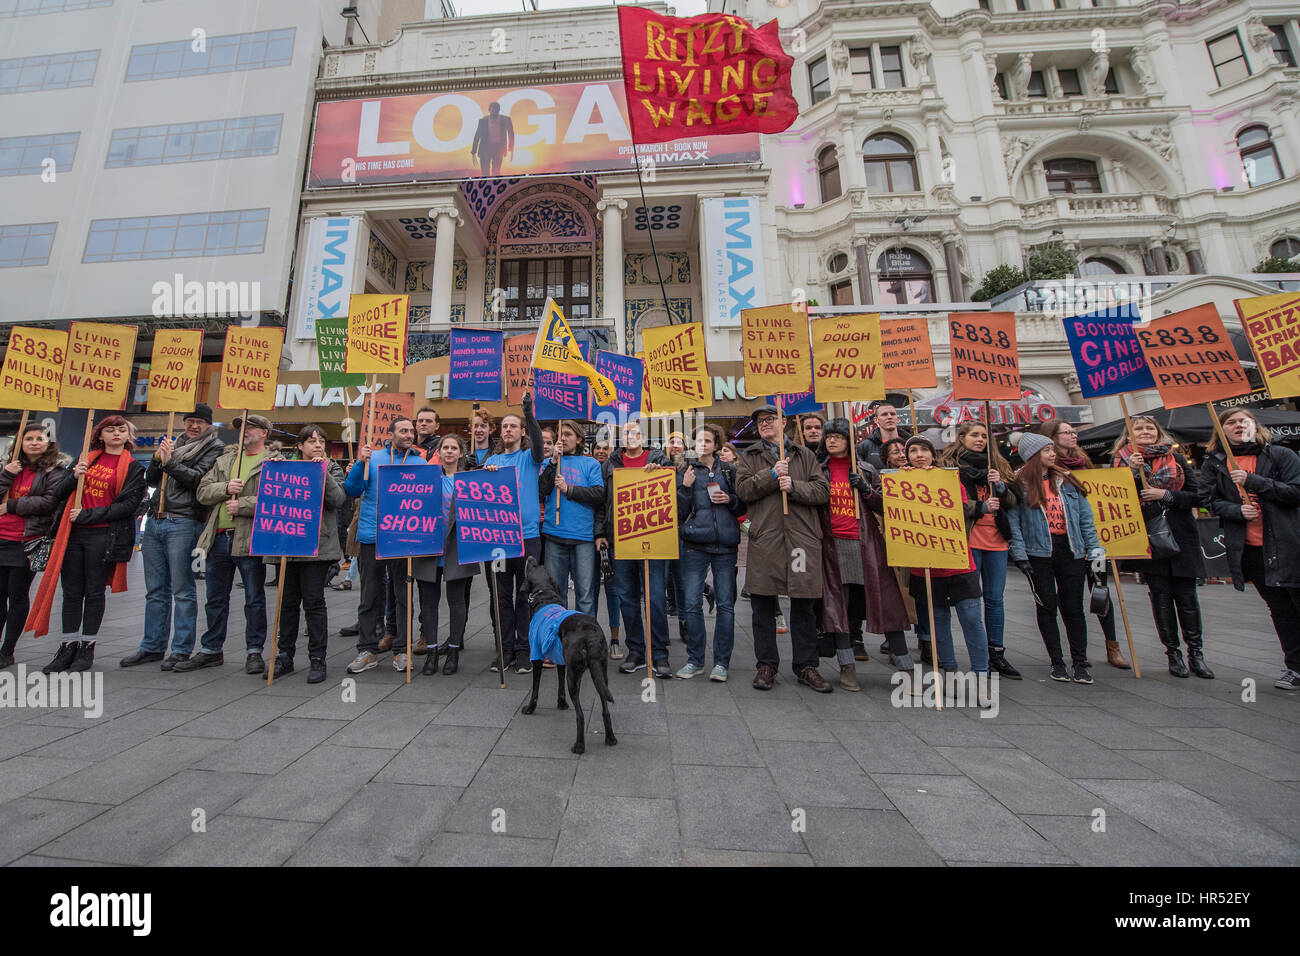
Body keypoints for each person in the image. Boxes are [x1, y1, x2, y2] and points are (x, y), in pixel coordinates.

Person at [37, 415, 146, 674]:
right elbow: (59, 494)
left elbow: (128, 506)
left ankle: (87, 649)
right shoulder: (86, 459)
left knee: (94, 593)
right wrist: (74, 476)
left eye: (122, 430)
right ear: (101, 434)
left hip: (104, 536)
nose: (116, 434)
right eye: (111, 429)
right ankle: (67, 647)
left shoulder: (132, 467)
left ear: (128, 436)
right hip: (73, 535)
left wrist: (87, 515)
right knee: (72, 593)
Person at [1201, 408, 1300, 690]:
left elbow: (1296, 492)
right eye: (1230, 422)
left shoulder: (1281, 455)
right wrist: (1235, 510)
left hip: (1288, 544)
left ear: (1254, 426)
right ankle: (1295, 667)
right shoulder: (1216, 462)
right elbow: (1208, 499)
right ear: (1221, 431)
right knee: (1280, 609)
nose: (1237, 425)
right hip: (1252, 549)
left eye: (1243, 421)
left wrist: (1254, 482)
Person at [736, 404, 833, 692]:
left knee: (804, 603)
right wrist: (771, 474)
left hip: (801, 541)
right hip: (766, 539)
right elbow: (743, 490)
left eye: (770, 419)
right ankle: (766, 665)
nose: (765, 424)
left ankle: (806, 666)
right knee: (762, 604)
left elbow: (822, 491)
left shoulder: (805, 455)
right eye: (760, 421)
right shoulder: (750, 455)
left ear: (784, 422)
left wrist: (795, 487)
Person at [123, 404, 224, 670]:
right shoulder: (173, 443)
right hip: (156, 519)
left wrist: (170, 462)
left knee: (182, 589)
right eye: (190, 420)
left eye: (199, 422)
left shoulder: (214, 448)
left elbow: (197, 481)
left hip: (184, 520)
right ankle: (152, 645)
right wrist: (157, 461)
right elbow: (153, 480)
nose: (193, 426)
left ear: (208, 426)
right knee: (155, 590)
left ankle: (181, 649)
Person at [818, 418, 915, 689]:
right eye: (829, 437)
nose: (832, 441)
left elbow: (888, 505)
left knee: (886, 602)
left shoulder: (867, 469)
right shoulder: (819, 470)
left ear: (849, 440)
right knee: (839, 608)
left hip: (867, 543)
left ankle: (906, 665)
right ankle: (846, 665)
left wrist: (866, 490)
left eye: (838, 436)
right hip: (832, 545)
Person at [1110, 417, 1210, 679]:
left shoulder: (1175, 459)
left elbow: (1198, 496)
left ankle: (1196, 653)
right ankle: (1173, 653)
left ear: (1158, 433)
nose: (1144, 432)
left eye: (1148, 428)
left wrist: (1165, 495)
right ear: (1129, 436)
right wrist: (1131, 473)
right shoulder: (1121, 461)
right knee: (1161, 598)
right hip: (1149, 536)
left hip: (1180, 535)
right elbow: (1116, 499)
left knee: (1188, 598)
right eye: (1138, 429)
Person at [1006, 431, 1105, 684]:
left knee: (1073, 608)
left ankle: (1080, 662)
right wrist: (1019, 555)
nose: (1053, 454)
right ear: (1033, 455)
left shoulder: (1068, 481)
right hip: (1038, 553)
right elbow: (1013, 522)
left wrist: (1095, 552)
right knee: (1047, 607)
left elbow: (1086, 519)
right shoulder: (1019, 484)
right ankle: (1057, 661)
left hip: (1071, 550)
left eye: (1052, 449)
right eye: (1047, 450)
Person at [183, 414, 279, 674]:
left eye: (250, 427)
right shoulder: (225, 460)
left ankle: (254, 651)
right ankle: (211, 648)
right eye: (241, 428)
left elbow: (279, 501)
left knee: (254, 598)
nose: (244, 431)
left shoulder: (274, 462)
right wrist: (226, 487)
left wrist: (245, 505)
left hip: (250, 538)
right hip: (219, 536)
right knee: (215, 598)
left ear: (264, 433)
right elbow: (203, 492)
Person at [342, 417, 430, 674]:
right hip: (372, 536)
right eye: (403, 430)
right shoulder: (374, 458)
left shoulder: (420, 462)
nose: (409, 434)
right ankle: (367, 650)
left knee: (403, 596)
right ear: (390, 434)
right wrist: (361, 463)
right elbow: (352, 489)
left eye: (411, 431)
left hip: (404, 538)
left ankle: (402, 650)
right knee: (369, 595)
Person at [901, 436, 991, 684]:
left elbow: (961, 511)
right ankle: (949, 671)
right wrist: (901, 479)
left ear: (933, 454)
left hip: (957, 562)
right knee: (937, 624)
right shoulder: (900, 480)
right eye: (914, 451)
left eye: (924, 450)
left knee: (972, 620)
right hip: (925, 566)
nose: (919, 455)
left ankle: (981, 674)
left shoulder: (951, 480)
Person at [1040, 418, 1127, 668]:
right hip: (1069, 543)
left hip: (1095, 536)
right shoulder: (1050, 467)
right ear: (1052, 438)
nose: (1073, 436)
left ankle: (1113, 645)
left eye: (1073, 431)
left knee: (1101, 591)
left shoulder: (1083, 462)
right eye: (1067, 432)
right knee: (1072, 598)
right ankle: (1080, 649)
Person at [939, 421, 1022, 679]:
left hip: (997, 538)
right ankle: (978, 656)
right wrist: (980, 507)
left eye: (985, 436)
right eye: (974, 435)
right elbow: (952, 502)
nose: (980, 439)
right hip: (970, 537)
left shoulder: (997, 466)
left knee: (995, 599)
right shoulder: (951, 467)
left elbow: (1011, 502)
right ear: (961, 438)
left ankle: (996, 650)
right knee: (970, 602)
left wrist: (1000, 486)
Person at [270, 426, 347, 684]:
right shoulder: (283, 467)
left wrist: (321, 473)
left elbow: (338, 499)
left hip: (317, 547)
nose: (317, 444)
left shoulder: (332, 468)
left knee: (314, 603)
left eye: (321, 441)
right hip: (288, 543)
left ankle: (317, 659)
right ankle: (284, 655)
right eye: (311, 440)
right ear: (300, 446)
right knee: (288, 603)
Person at [595, 419, 671, 675]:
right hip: (620, 541)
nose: (631, 436)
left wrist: (660, 472)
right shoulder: (610, 465)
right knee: (626, 599)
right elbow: (602, 502)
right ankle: (636, 651)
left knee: (656, 599)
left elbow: (673, 492)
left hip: (653, 540)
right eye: (626, 433)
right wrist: (601, 533)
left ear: (643, 436)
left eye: (636, 432)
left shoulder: (660, 459)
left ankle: (660, 654)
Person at [675, 424, 745, 680]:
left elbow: (742, 507)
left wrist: (731, 500)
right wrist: (684, 487)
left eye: (708, 440)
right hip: (695, 544)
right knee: (692, 604)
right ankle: (695, 660)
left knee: (726, 605)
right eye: (698, 440)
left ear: (716, 445)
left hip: (725, 545)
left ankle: (721, 663)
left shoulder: (729, 470)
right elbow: (678, 514)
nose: (702, 444)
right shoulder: (685, 470)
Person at [482, 393, 546, 672]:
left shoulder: (530, 459)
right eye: (504, 426)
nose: (508, 430)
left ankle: (524, 649)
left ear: (522, 433)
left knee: (525, 595)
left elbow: (540, 447)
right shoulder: (490, 461)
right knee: (500, 595)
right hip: (497, 541)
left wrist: (528, 414)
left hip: (527, 537)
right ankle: (504, 650)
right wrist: (487, 474)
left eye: (513, 426)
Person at [0, 424, 69, 667]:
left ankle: (7, 650)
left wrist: (12, 506)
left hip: (27, 540)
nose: (34, 442)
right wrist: (6, 475)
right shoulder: (8, 467)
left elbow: (49, 502)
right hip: (1, 537)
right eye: (28, 438)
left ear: (49, 443)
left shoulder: (55, 470)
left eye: (40, 438)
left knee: (17, 595)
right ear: (19, 443)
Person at [415, 433, 479, 676]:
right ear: (438, 452)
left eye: (454, 448)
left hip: (457, 549)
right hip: (428, 549)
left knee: (456, 602)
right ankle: (431, 651)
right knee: (428, 603)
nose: (450, 451)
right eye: (445, 447)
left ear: (461, 453)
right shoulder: (426, 480)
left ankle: (453, 650)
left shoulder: (469, 481)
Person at [539, 420, 605, 628]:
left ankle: (586, 640)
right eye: (560, 434)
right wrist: (552, 462)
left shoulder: (590, 464)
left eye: (568, 434)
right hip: (554, 535)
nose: (563, 438)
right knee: (556, 595)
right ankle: (558, 641)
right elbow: (542, 490)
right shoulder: (549, 463)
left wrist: (570, 490)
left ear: (578, 439)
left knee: (585, 595)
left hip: (583, 537)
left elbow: (598, 494)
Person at [857, 402, 912, 469]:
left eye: (892, 414)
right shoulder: (865, 447)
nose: (889, 417)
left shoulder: (910, 443)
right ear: (876, 420)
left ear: (897, 419)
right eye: (884, 414)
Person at [471, 100, 514, 177]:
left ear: (499, 110)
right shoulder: (483, 121)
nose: (494, 111)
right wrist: (474, 151)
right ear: (489, 110)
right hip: (485, 149)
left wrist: (511, 148)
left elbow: (511, 134)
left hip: (498, 148)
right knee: (485, 173)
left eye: (496, 109)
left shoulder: (505, 119)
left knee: (496, 172)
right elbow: (477, 136)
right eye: (492, 109)